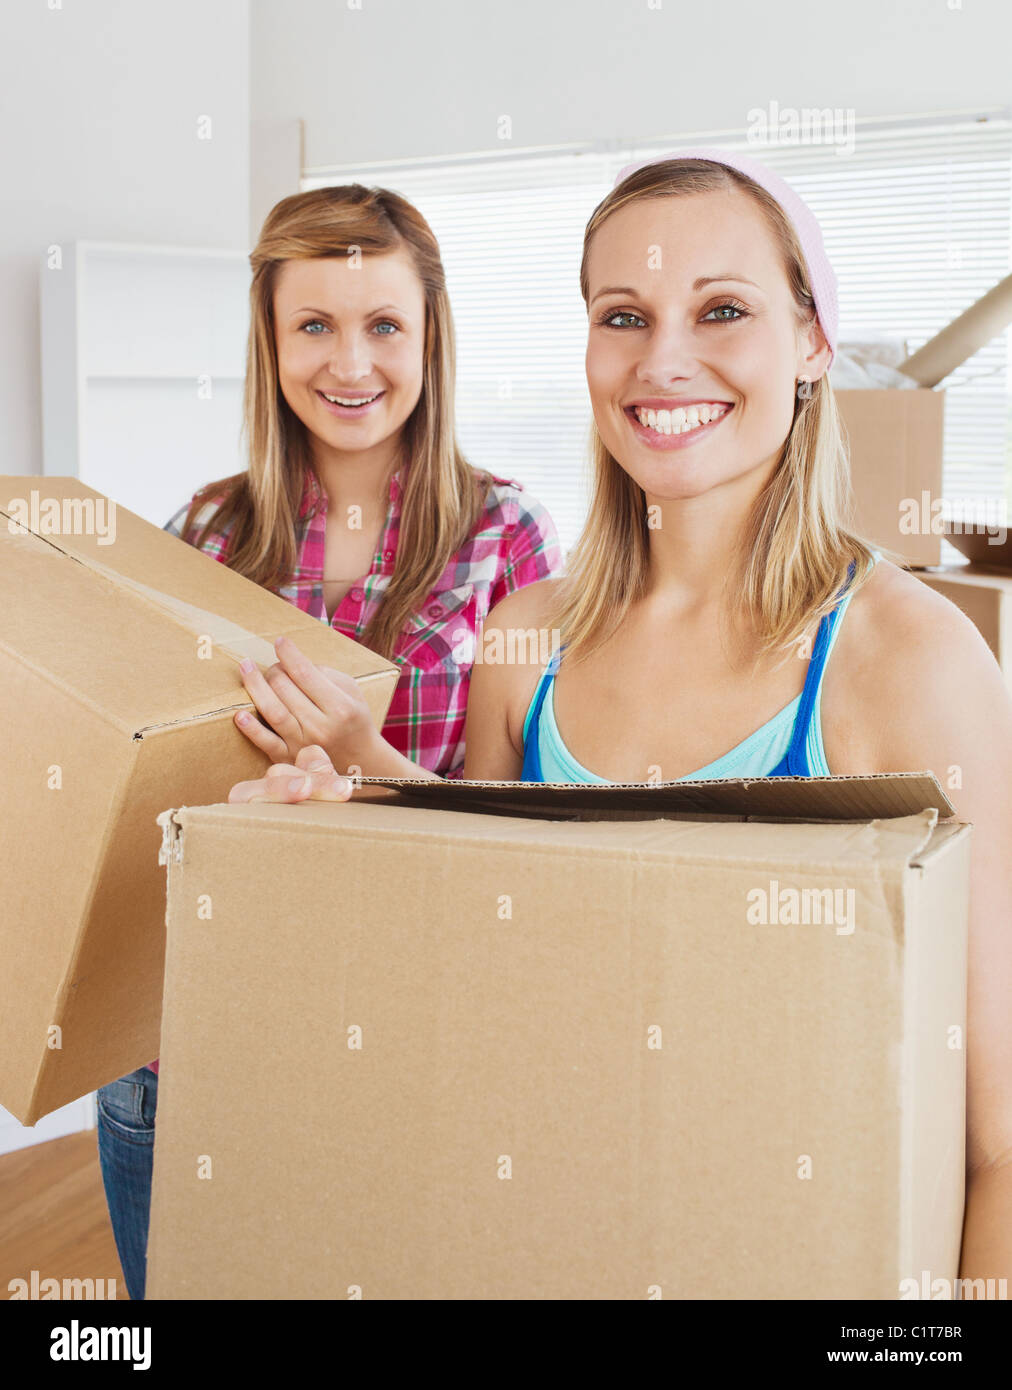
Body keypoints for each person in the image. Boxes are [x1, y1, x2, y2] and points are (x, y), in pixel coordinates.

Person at [236, 151, 1012, 1289]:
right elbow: (487, 971)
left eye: (723, 310)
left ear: (809, 342)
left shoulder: (910, 661)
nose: (663, 360)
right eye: (623, 315)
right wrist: (351, 796)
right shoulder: (529, 644)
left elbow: (998, 1144)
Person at [96, 183, 562, 1299]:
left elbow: (525, 844)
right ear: (269, 339)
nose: (349, 363)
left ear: (429, 335)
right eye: (313, 324)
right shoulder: (204, 530)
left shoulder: (506, 537)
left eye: (382, 325)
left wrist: (371, 765)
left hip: (402, 1059)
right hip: (190, 1051)